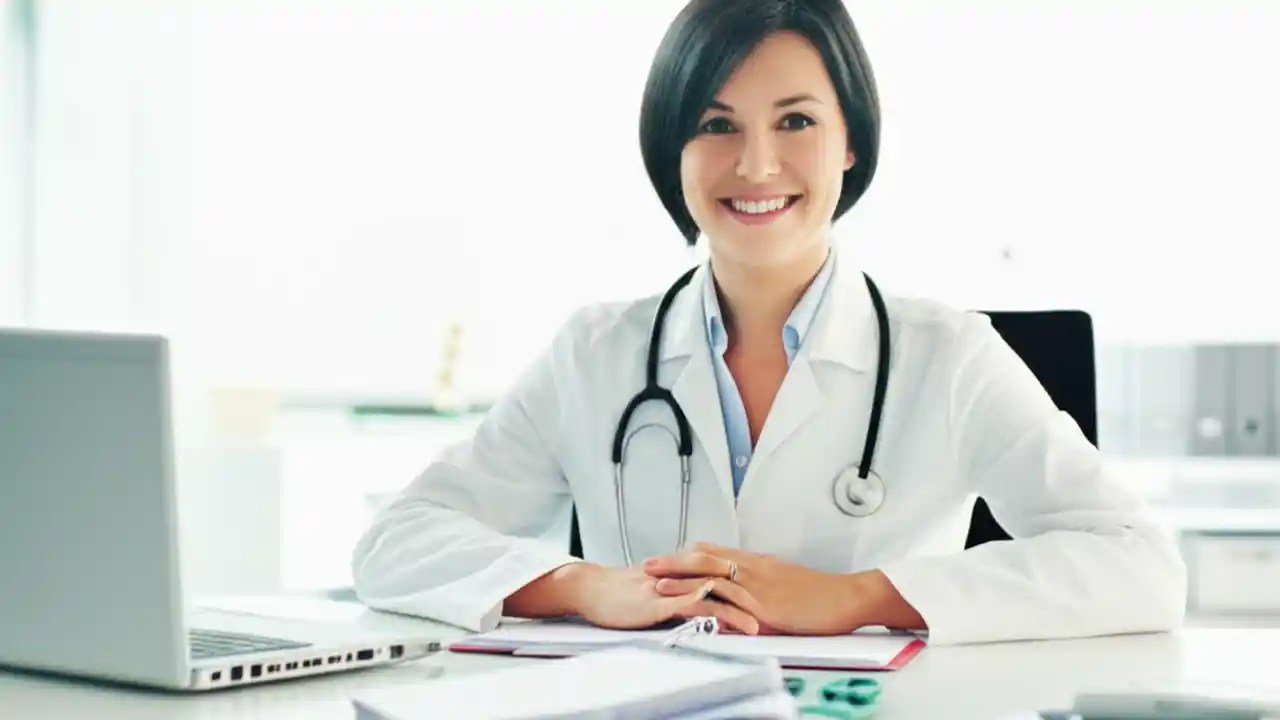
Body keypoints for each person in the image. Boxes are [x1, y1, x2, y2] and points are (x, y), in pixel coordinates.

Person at [351, 0, 1186, 646]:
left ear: (851, 141)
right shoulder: (594, 356)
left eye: (795, 121)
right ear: (671, 149)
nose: (756, 165)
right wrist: (585, 587)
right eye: (717, 126)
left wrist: (859, 597)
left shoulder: (952, 356)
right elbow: (397, 543)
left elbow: (1143, 566)